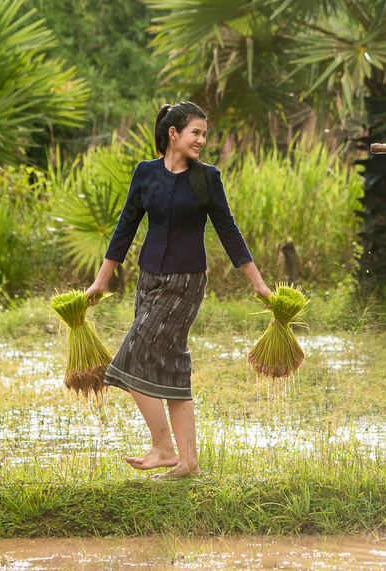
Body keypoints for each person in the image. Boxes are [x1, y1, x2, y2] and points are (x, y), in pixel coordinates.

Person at [85, 101, 271, 479]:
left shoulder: (208, 178)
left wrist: (259, 284)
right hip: (149, 278)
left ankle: (164, 446)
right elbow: (125, 227)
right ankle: (188, 463)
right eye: (195, 133)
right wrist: (101, 281)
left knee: (130, 358)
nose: (202, 140)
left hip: (186, 281)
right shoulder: (145, 173)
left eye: (204, 134)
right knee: (171, 366)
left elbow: (228, 231)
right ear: (174, 134)